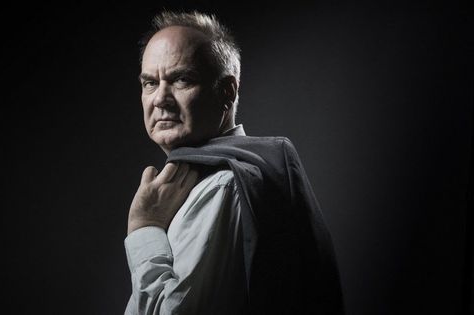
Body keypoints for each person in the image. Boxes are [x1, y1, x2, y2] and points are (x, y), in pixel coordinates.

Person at [124, 11, 344, 314]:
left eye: (181, 79)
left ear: (227, 91)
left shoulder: (223, 187)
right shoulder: (219, 178)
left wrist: (143, 228)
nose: (160, 98)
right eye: (150, 83)